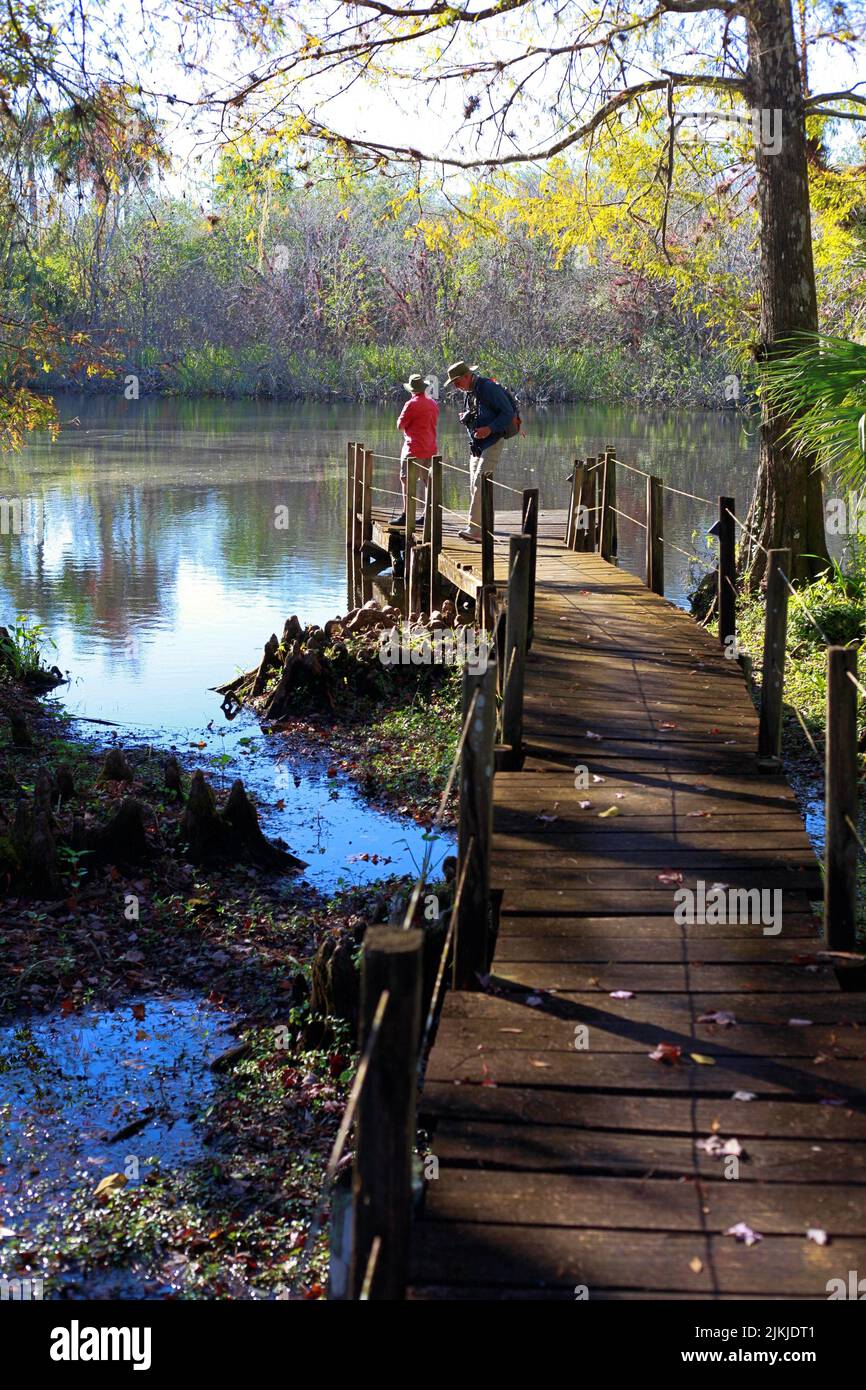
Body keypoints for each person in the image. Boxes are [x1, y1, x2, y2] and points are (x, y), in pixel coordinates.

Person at [444, 360, 514, 542]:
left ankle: (475, 530)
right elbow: (478, 413)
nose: (456, 386)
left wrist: (489, 429)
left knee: (480, 483)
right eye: (454, 384)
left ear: (467, 376)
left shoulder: (489, 388)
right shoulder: (470, 392)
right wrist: (467, 418)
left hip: (492, 441)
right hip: (477, 445)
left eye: (458, 382)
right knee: (474, 483)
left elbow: (508, 413)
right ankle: (481, 526)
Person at [395, 372, 439, 528]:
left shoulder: (411, 404)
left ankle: (407, 515)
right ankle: (427, 516)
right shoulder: (433, 403)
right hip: (431, 448)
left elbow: (400, 426)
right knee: (428, 482)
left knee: (406, 480)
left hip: (413, 448)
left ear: (412, 390)